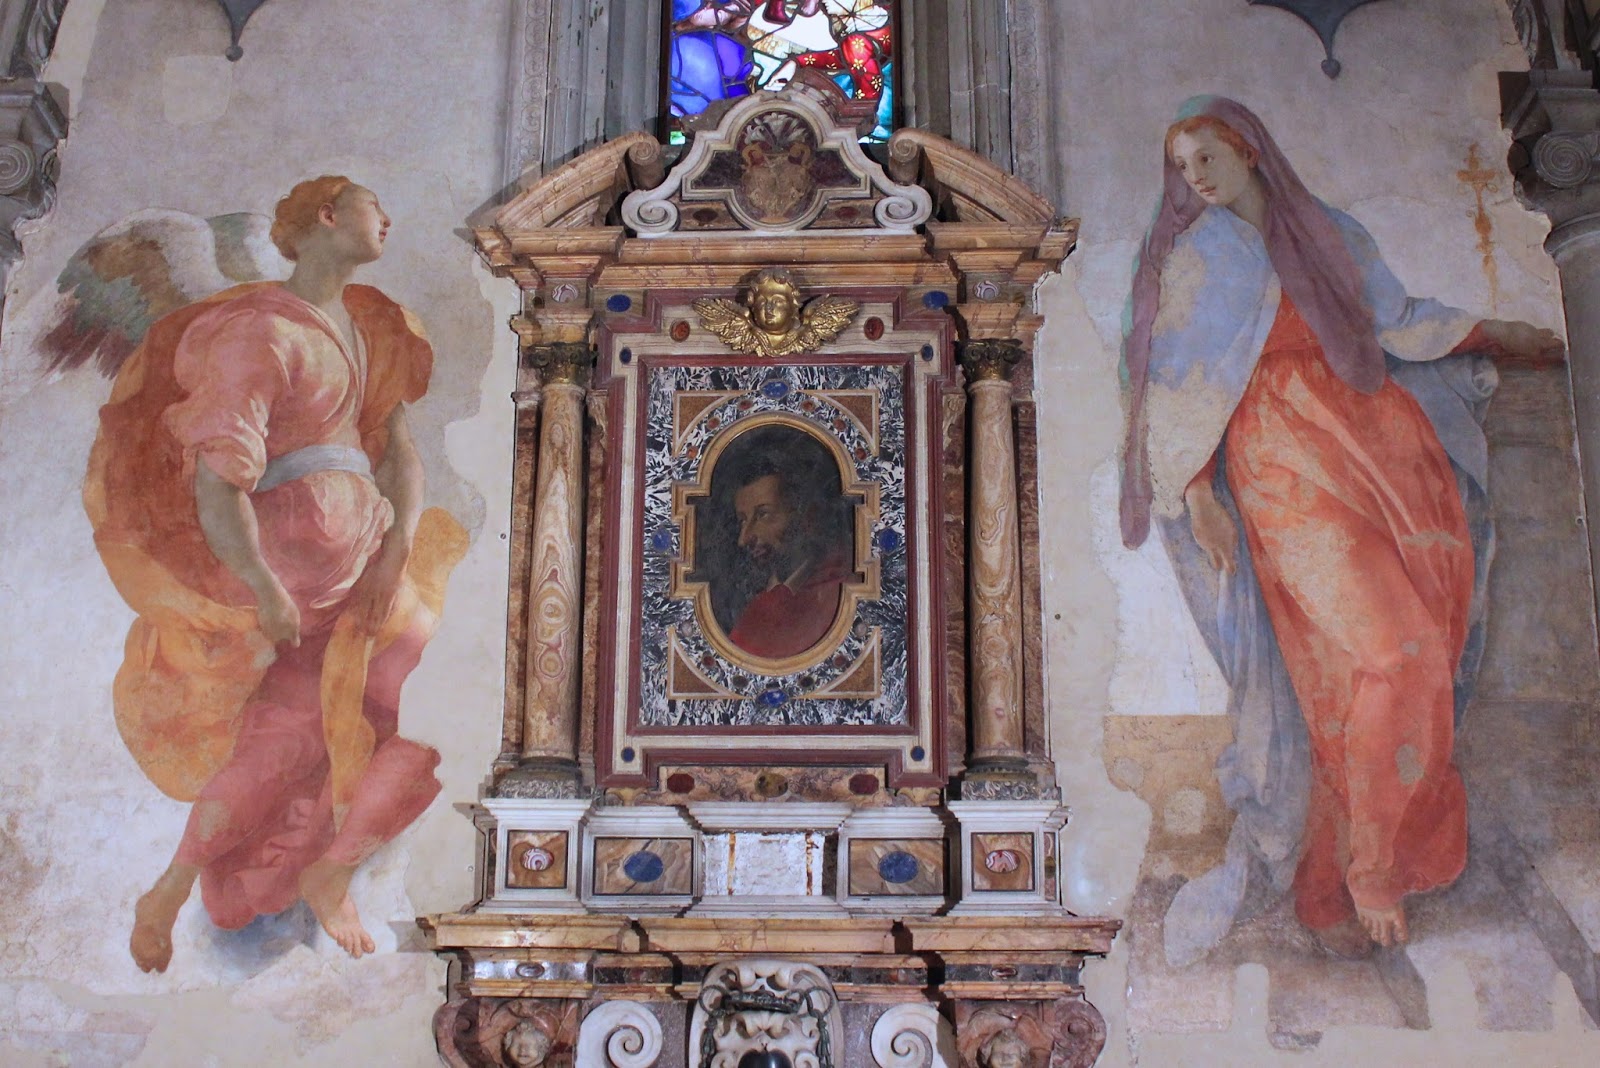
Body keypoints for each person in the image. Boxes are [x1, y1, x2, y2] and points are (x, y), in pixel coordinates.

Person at [1119, 97, 1561, 959]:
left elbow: (1395, 320)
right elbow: (1174, 388)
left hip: (1380, 443)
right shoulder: (1196, 262)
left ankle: (1382, 842)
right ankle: (1371, 866)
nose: (1194, 177)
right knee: (1390, 650)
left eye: (1205, 156)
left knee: (1421, 645)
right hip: (1281, 456)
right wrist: (1200, 495)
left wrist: (1493, 331)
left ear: (1248, 151)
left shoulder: (1329, 230)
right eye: (1181, 165)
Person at [85, 176, 465, 972]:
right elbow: (218, 481)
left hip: (359, 558)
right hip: (292, 565)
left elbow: (399, 453)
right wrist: (262, 586)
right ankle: (207, 883)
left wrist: (392, 554)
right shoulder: (256, 332)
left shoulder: (369, 325)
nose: (388, 214)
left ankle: (270, 876)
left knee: (369, 721)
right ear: (326, 218)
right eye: (370, 203)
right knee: (316, 722)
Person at [727, 459, 852, 659]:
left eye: (763, 515)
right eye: (742, 520)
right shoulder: (754, 605)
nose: (744, 539)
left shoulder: (839, 592)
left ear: (805, 515)